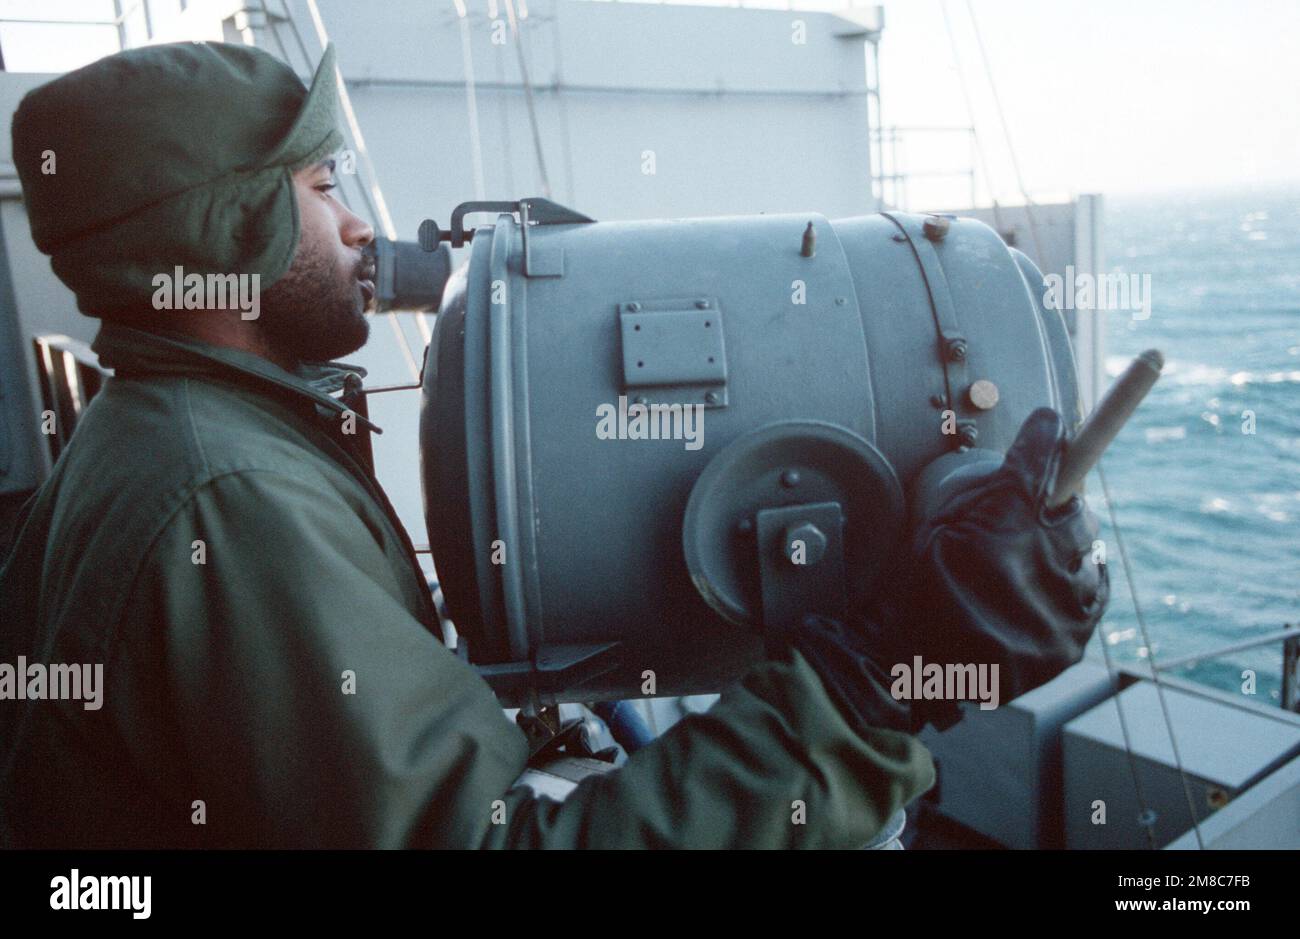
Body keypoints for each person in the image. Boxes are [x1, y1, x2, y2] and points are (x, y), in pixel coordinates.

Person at [0, 41, 1107, 848]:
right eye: (320, 186)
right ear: (223, 229)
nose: (352, 225)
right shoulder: (229, 495)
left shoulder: (174, 431)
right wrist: (870, 689)